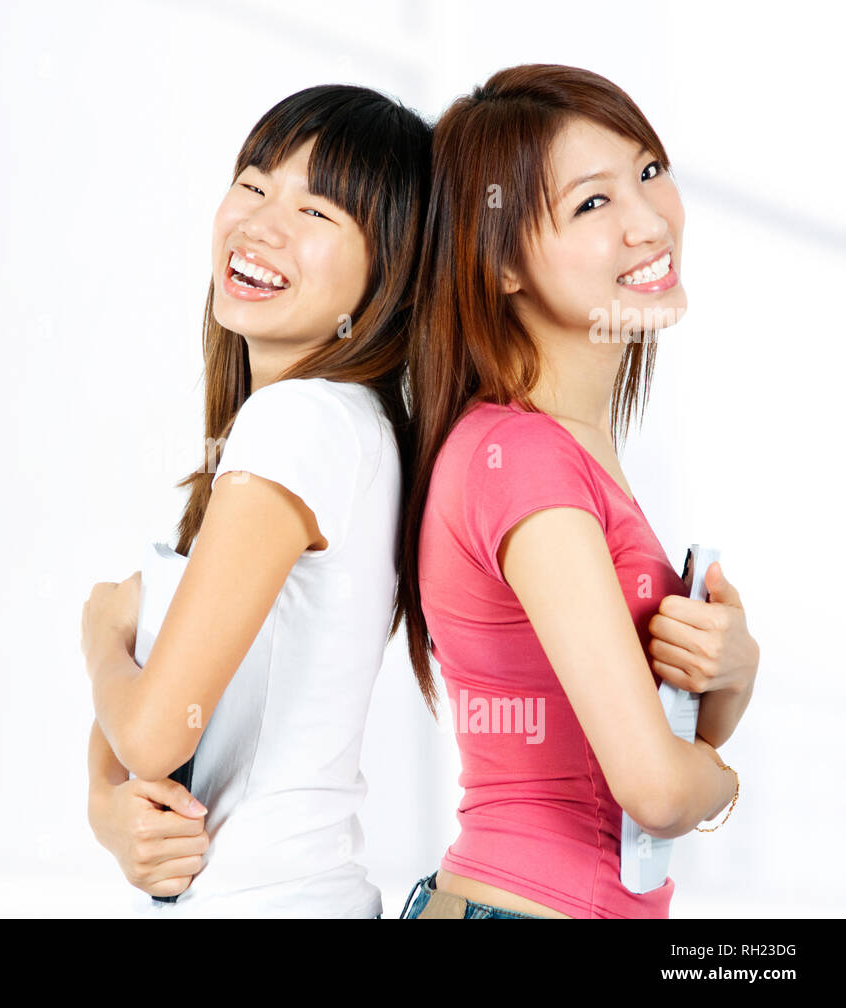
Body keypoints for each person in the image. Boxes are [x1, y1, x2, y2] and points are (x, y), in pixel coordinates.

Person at [398, 64, 760, 919]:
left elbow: (621, 758)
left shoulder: (556, 446)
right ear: (504, 263)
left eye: (648, 171)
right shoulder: (520, 458)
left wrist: (731, 677)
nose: (648, 221)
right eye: (593, 205)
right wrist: (724, 784)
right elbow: (658, 792)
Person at [79, 83, 433, 916]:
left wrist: (98, 637)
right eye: (253, 182)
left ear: (391, 273)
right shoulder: (355, 427)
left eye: (319, 214)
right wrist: (106, 808)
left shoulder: (300, 422)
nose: (263, 223)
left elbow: (157, 731)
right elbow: (156, 752)